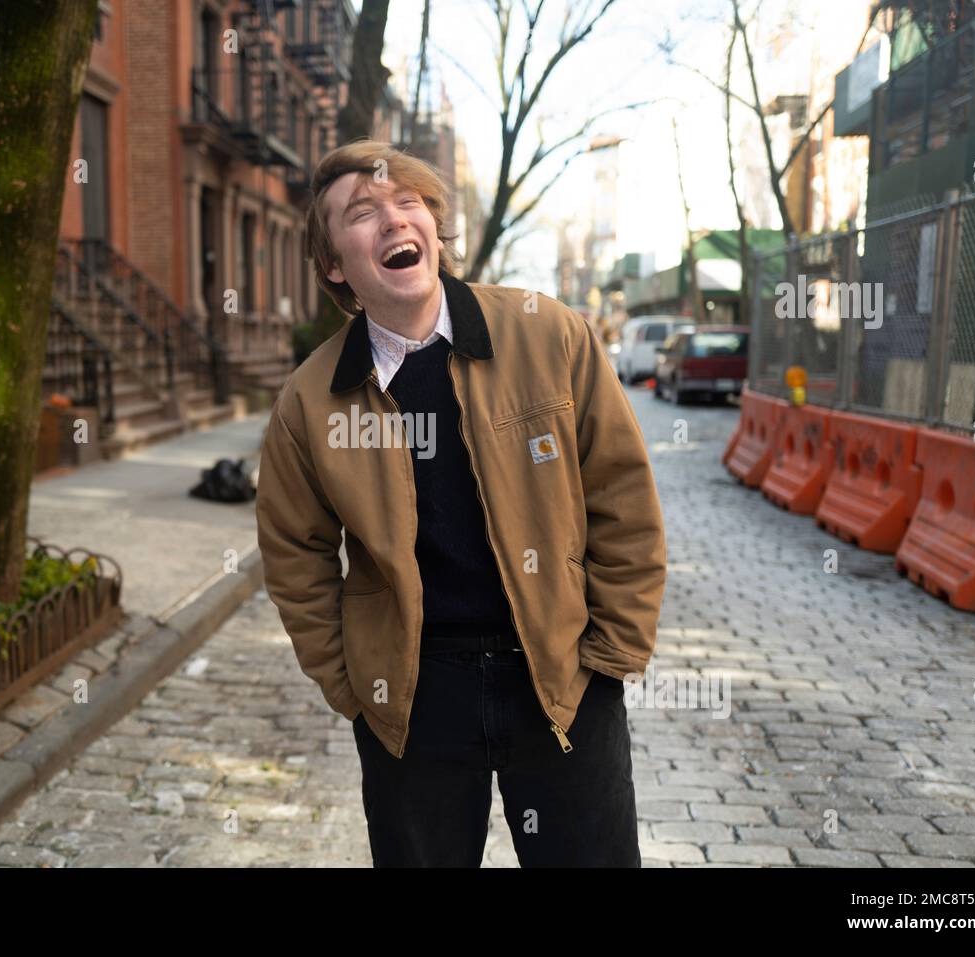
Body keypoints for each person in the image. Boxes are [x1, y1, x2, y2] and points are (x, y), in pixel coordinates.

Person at [255, 139, 667, 867]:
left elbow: (622, 494)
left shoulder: (549, 333)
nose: (392, 220)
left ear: (435, 229)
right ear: (333, 265)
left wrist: (611, 652)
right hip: (413, 700)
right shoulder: (310, 400)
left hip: (561, 677)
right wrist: (351, 681)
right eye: (362, 213)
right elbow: (295, 551)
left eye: (407, 202)